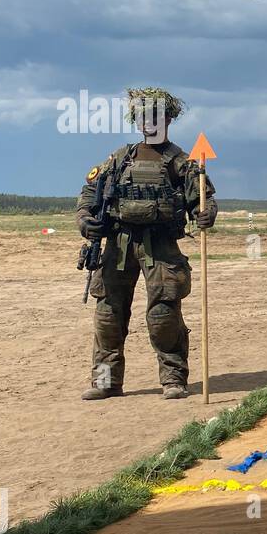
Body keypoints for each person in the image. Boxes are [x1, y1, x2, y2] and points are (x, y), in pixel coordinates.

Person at [77, 88, 216, 400]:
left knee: (163, 316)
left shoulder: (180, 161)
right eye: (142, 118)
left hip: (160, 245)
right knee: (108, 317)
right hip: (118, 244)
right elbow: (88, 194)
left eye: (154, 117)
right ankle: (106, 382)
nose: (148, 124)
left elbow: (204, 199)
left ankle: (173, 380)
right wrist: (86, 221)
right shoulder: (119, 158)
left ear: (168, 119)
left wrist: (206, 215)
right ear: (136, 122)